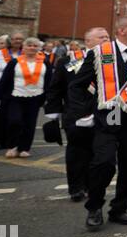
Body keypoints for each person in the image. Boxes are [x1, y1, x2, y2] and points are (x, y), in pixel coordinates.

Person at [69, 15, 127, 229]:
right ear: (122, 31)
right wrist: (81, 114)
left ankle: (119, 209)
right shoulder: (99, 53)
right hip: (107, 119)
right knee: (102, 163)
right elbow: (77, 86)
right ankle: (94, 207)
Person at [45, 27, 109, 202]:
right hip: (75, 114)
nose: (106, 39)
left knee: (99, 153)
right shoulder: (70, 60)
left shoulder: (111, 60)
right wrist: (53, 111)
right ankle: (76, 187)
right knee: (77, 152)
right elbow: (56, 87)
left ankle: (92, 186)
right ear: (88, 42)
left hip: (104, 114)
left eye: (107, 37)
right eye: (101, 37)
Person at [0, 37, 48, 158]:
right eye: (29, 45)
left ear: (39, 48)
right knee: (15, 121)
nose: (32, 48)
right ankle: (12, 146)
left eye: (35, 46)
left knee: (30, 123)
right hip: (16, 96)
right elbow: (5, 80)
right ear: (23, 48)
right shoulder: (14, 62)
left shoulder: (45, 62)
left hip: (35, 97)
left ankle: (24, 148)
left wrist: (48, 97)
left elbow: (49, 80)